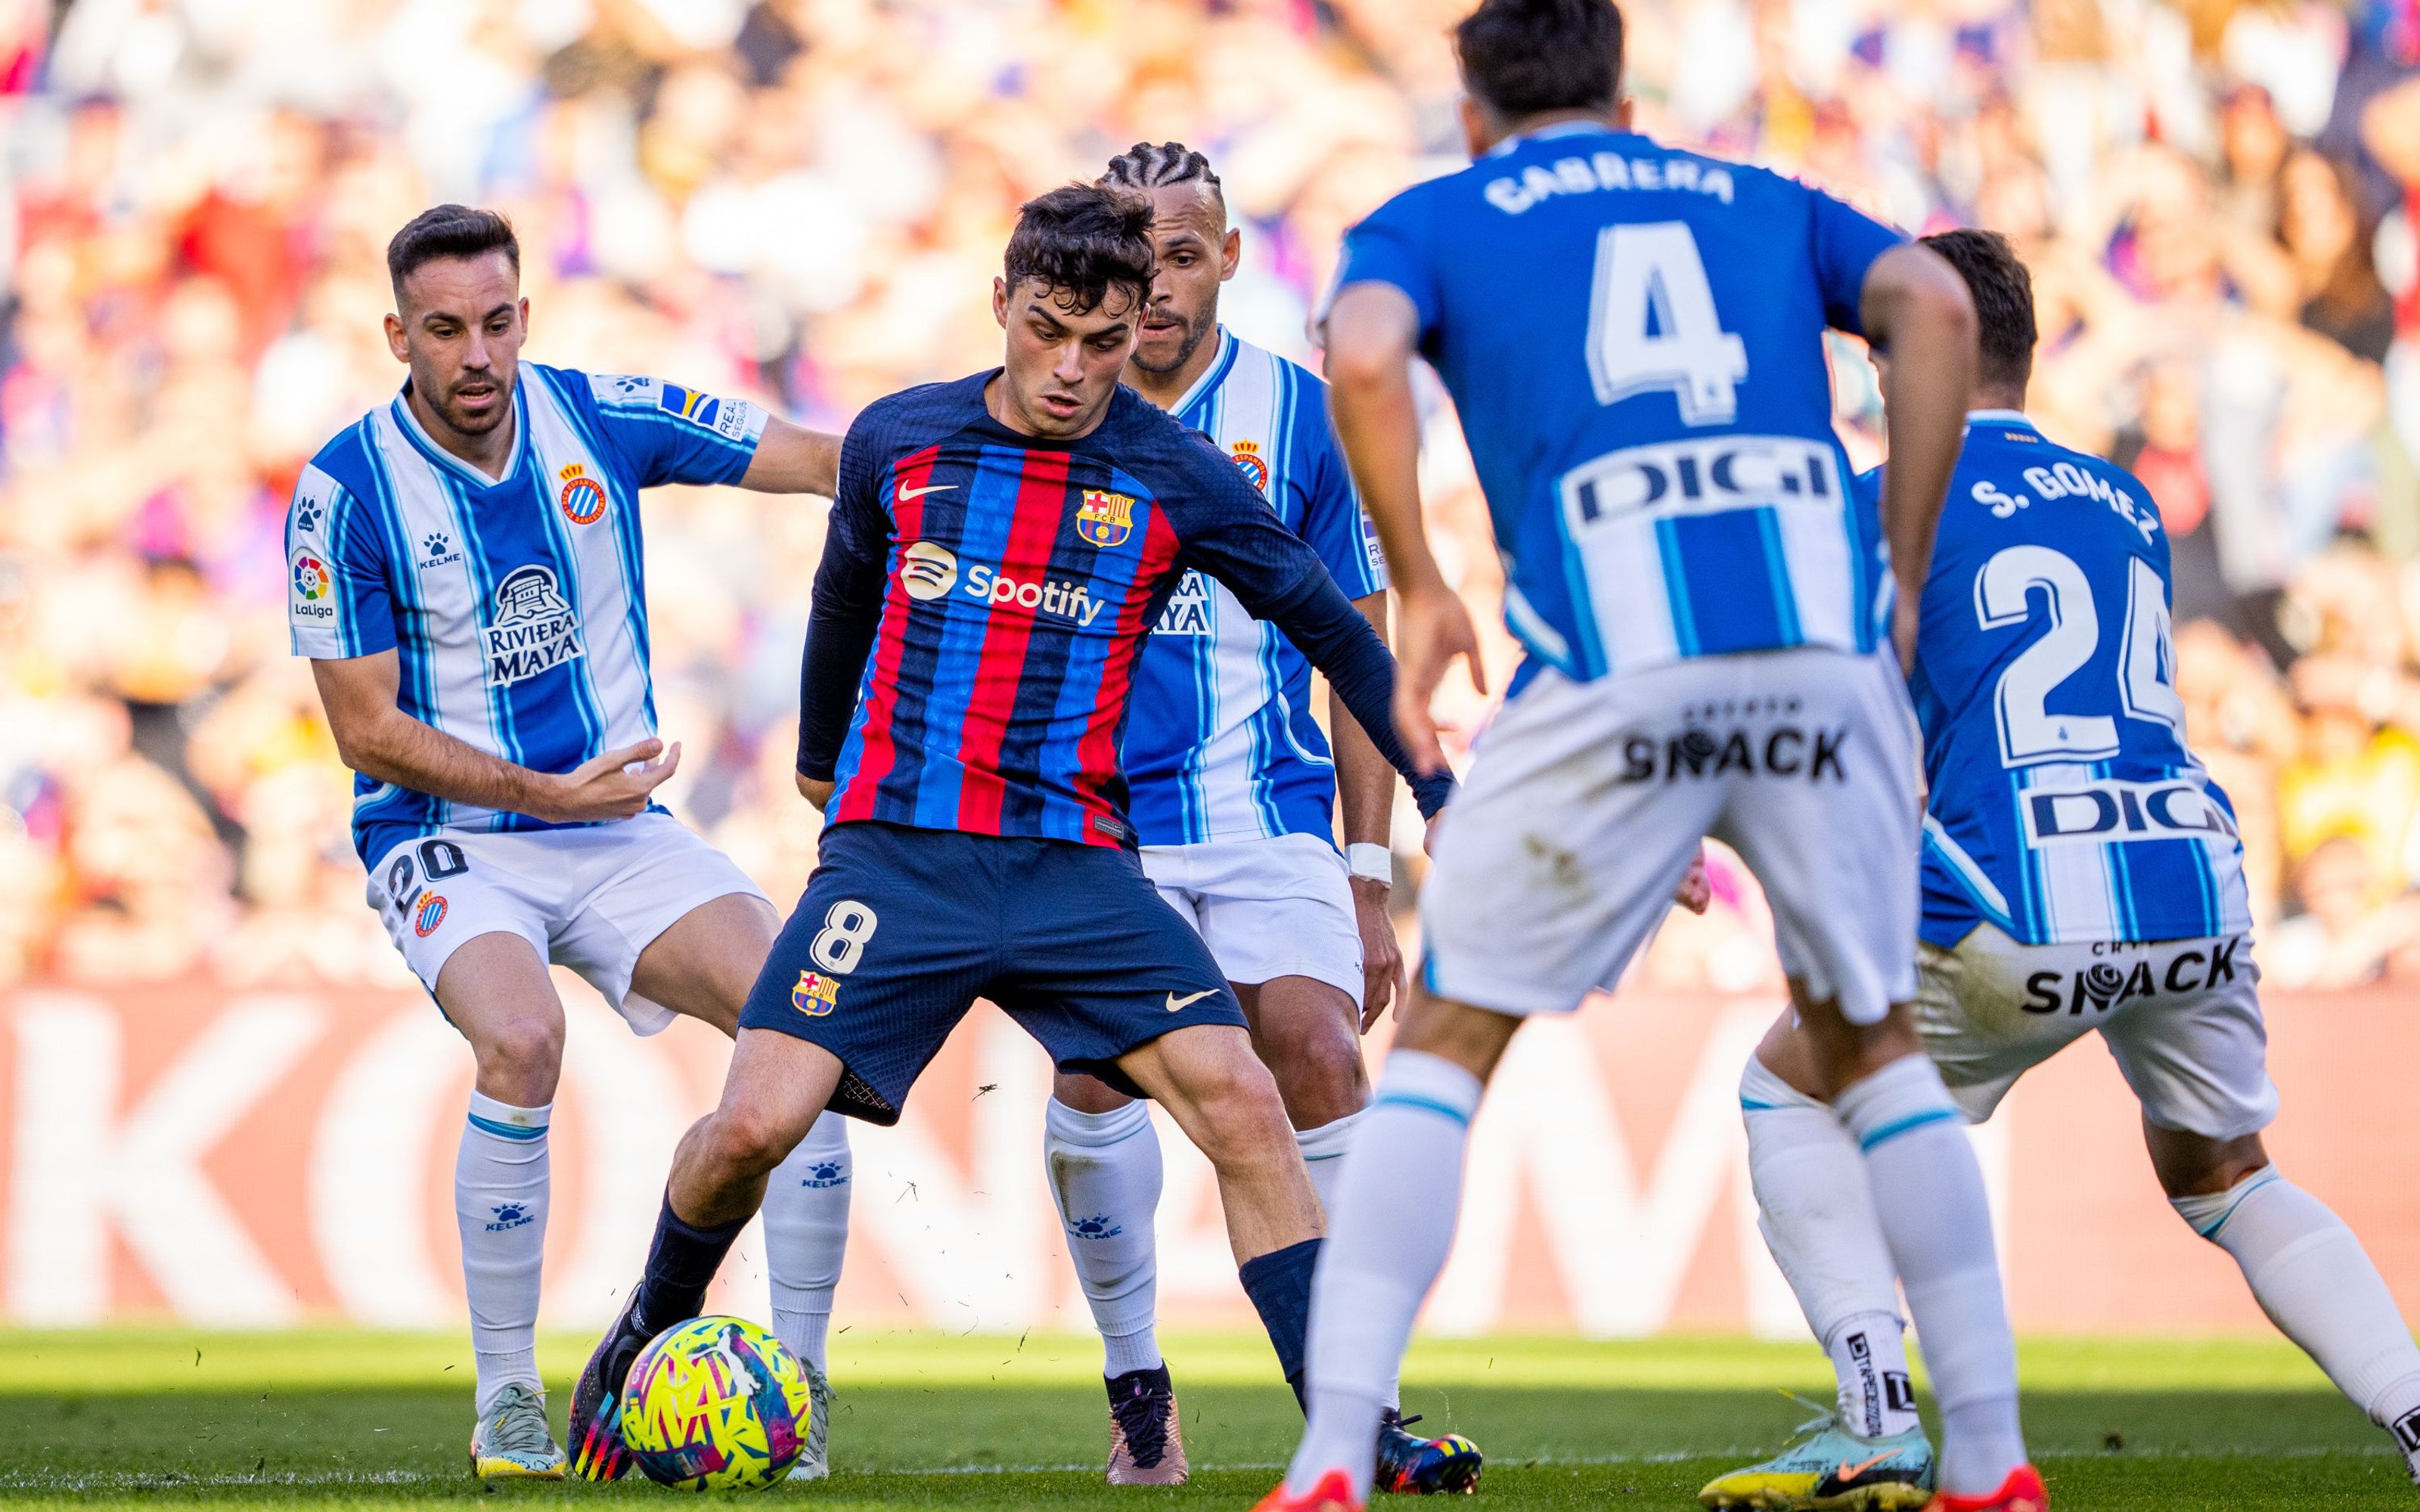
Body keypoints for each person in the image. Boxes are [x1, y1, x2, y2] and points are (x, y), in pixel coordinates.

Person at [1262, 0, 2046, 1508]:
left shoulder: (1434, 213)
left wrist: (1423, 585)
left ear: (1476, 109)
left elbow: (1361, 353)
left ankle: (1332, 1459)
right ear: (1622, 101)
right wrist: (1894, 562)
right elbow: (1935, 314)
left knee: (1447, 1043)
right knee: (1873, 1039)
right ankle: (1995, 1462)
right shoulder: (1757, 197)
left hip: (1610, 657)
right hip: (1815, 661)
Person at [563, 183, 1454, 1483]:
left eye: (1105, 344)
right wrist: (820, 763)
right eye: (1052, 334)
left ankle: (1351, 1431)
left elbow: (1336, 632)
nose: (1076, 372)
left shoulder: (1172, 473)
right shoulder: (899, 441)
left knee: (1247, 1106)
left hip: (1076, 871)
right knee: (753, 1126)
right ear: (1003, 304)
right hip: (900, 859)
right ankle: (649, 1320)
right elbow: (839, 605)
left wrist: (1445, 804)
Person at [1702, 228, 2420, 1510]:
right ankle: (2415, 1411)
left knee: (1791, 1095)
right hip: (2184, 877)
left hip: (2014, 898)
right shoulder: (2123, 497)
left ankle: (1876, 1419)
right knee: (2229, 1171)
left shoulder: (1878, 501)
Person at [287, 204, 858, 1480]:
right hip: (452, 836)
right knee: (522, 1037)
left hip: (618, 830)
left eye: (497, 323)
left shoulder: (595, 413)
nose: (477, 355)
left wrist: (948, 462)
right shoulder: (345, 489)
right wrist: (550, 798)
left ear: (526, 316)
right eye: (445, 331)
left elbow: (810, 455)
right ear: (398, 335)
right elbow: (364, 731)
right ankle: (507, 1403)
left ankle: (802, 1391)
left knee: (807, 1033)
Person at [1016, 140, 1480, 1492]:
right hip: (1100, 826)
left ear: (1227, 257)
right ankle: (1137, 1385)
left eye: (1181, 252)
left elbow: (1363, 652)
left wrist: (1367, 876)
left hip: (1270, 814)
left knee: (1318, 1053)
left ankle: (1364, 1409)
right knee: (1097, 1072)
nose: (1155, 282)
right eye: (1132, 252)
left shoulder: (1309, 416)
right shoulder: (1047, 407)